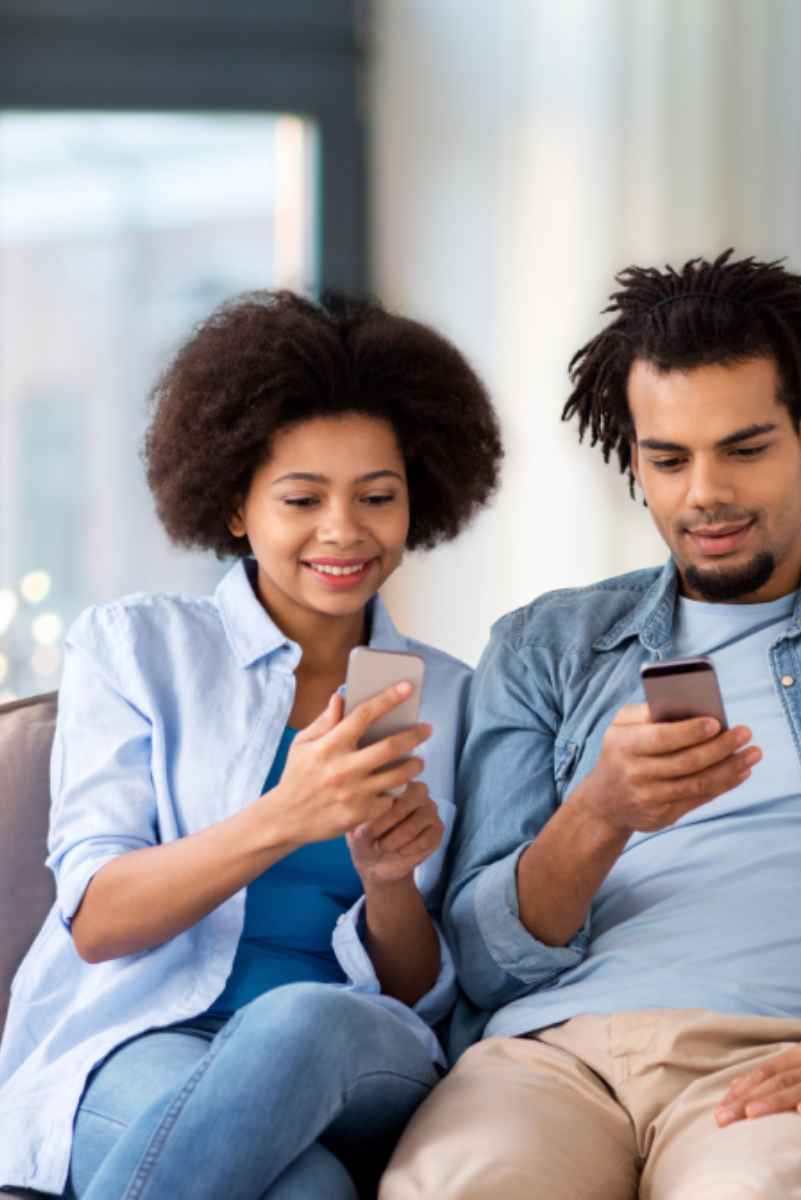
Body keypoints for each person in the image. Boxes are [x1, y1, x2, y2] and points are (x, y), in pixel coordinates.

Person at [381, 252, 801, 1200]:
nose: (703, 492)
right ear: (637, 462)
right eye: (668, 459)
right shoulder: (547, 647)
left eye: (744, 450)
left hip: (782, 1059)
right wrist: (599, 813)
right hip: (547, 1061)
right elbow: (482, 958)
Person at [0, 291, 502, 1199]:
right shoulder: (137, 650)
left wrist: (391, 884)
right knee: (307, 1191)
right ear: (235, 505)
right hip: (142, 1039)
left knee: (303, 1021)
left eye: (377, 497)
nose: (343, 531)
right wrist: (286, 815)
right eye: (302, 498)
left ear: (416, 501)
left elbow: (425, 991)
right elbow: (100, 919)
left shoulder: (458, 696)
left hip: (356, 1049)